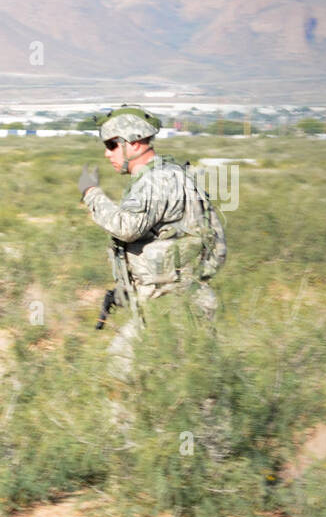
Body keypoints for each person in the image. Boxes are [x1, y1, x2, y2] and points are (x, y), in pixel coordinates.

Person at [78, 105, 226, 381]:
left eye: (112, 145)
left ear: (133, 143)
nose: (106, 153)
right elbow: (215, 246)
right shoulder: (170, 176)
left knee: (124, 375)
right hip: (178, 302)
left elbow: (127, 228)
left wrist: (91, 194)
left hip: (172, 307)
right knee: (182, 383)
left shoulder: (157, 182)